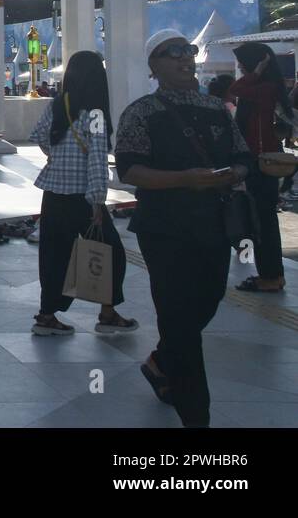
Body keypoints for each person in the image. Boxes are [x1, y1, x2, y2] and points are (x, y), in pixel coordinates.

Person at [116, 29, 250, 428]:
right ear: (154, 66)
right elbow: (130, 170)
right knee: (180, 320)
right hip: (164, 228)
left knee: (206, 301)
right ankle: (197, 417)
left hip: (212, 224)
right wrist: (185, 179)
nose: (184, 58)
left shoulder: (216, 108)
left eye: (188, 51)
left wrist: (234, 173)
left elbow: (243, 156)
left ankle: (160, 362)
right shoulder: (141, 112)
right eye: (172, 53)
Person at [29, 50, 136, 335]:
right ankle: (108, 312)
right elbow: (97, 159)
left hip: (53, 193)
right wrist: (98, 202)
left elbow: (38, 135)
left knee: (54, 255)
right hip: (83, 199)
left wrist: (57, 155)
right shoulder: (96, 114)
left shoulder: (56, 105)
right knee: (110, 251)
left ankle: (46, 316)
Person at [228, 42, 294, 293]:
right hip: (261, 163)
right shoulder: (265, 88)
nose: (241, 67)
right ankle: (271, 274)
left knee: (263, 223)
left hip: (262, 163)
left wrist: (257, 71)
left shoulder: (264, 89)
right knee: (263, 221)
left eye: (244, 62)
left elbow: (236, 87)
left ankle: (271, 276)